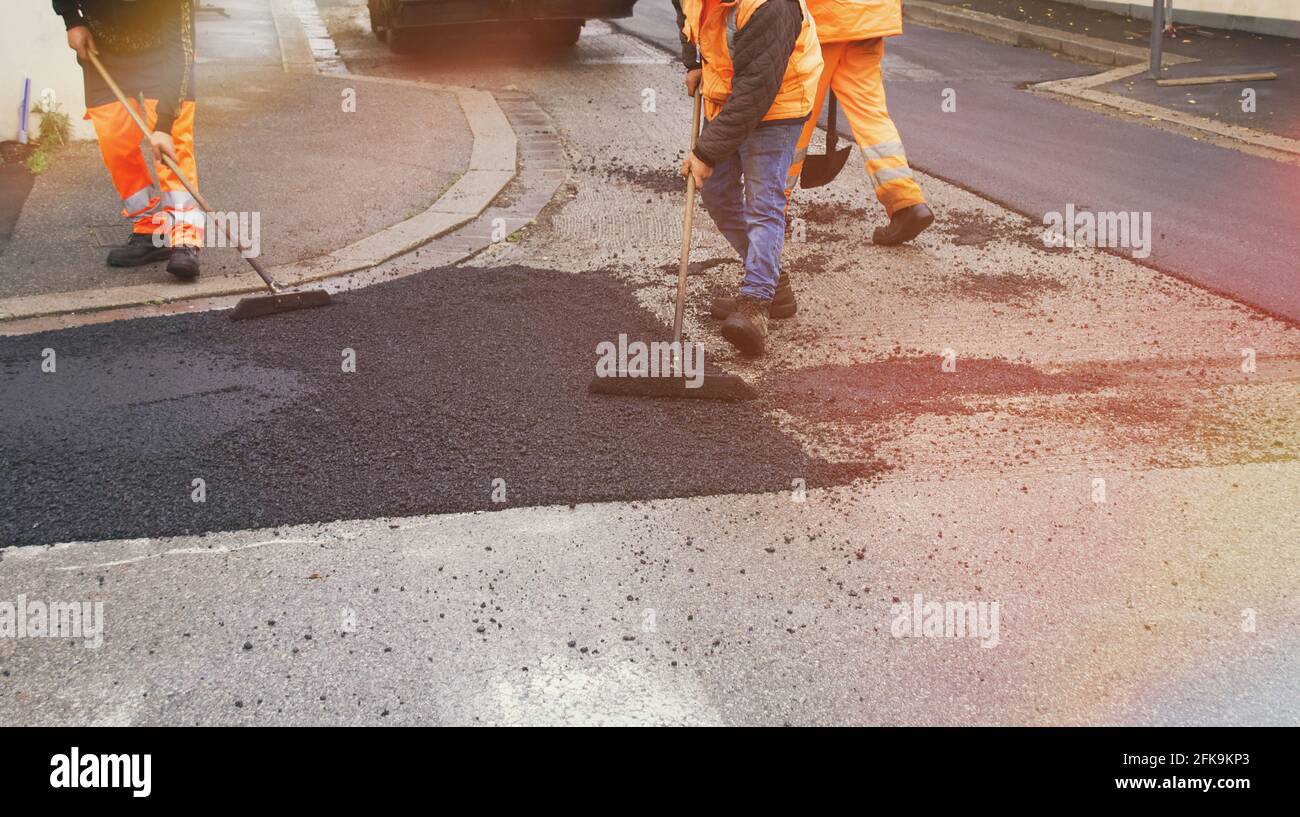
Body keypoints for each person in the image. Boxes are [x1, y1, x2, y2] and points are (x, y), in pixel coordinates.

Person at [675, 0, 823, 357]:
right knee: (715, 194)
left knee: (763, 203)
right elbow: (685, 14)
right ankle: (774, 284)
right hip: (727, 93)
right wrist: (695, 62)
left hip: (778, 100)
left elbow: (756, 91)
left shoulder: (772, 6)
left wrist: (705, 152)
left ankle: (756, 304)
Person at [54, 0, 203, 279]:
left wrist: (164, 125)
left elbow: (179, 48)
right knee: (115, 140)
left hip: (164, 53)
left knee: (174, 145)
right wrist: (72, 19)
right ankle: (149, 230)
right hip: (104, 50)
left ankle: (185, 237)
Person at [786, 0, 934, 246]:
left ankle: (772, 204)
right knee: (870, 112)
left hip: (825, 19)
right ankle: (906, 202)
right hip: (870, 17)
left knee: (798, 109)